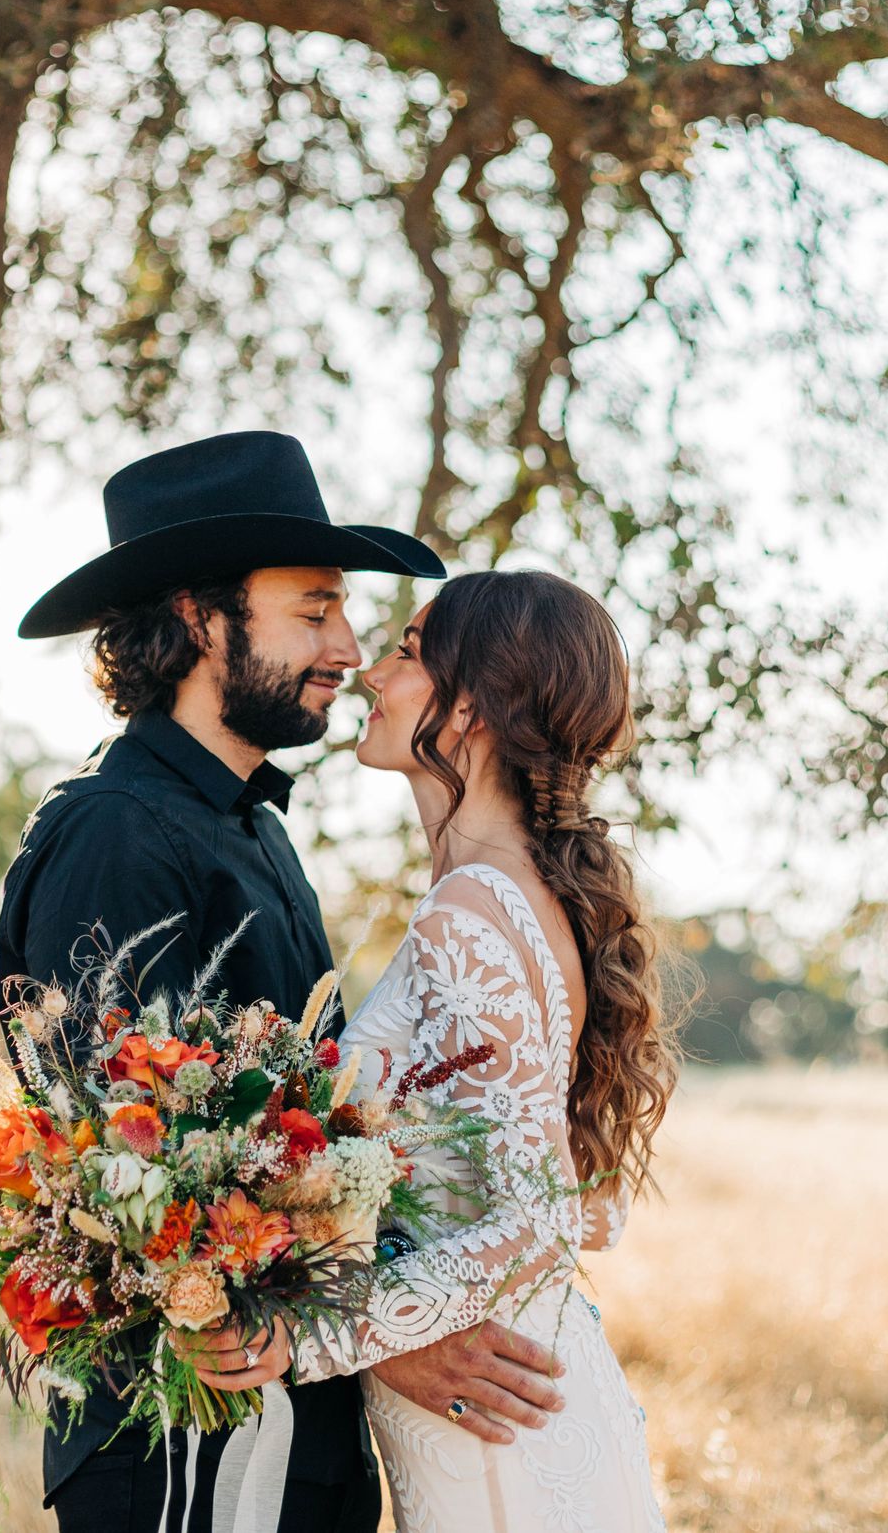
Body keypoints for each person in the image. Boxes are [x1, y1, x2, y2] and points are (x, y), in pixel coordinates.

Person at [0, 432, 579, 1532]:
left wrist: (370, 1328)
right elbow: (125, 1178)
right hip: (181, 1452)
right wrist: (386, 1333)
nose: (349, 648)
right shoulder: (113, 834)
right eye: (313, 610)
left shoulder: (257, 832)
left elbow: (300, 1153)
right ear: (195, 619)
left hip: (298, 1445)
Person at [245, 567, 677, 1530]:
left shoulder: (470, 914)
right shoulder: (511, 895)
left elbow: (544, 1222)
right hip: (502, 1411)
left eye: (404, 651)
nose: (370, 671)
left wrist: (306, 1332)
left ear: (472, 704)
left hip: (503, 1450)